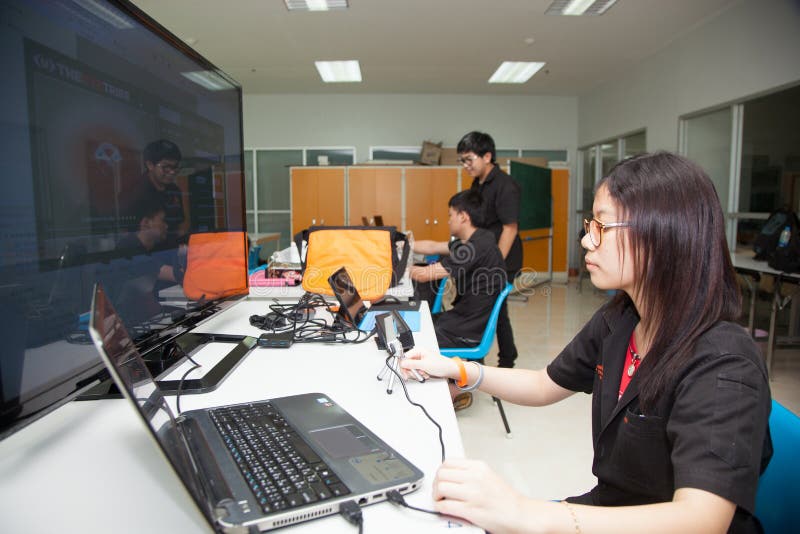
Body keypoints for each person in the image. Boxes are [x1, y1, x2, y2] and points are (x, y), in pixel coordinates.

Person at [400, 152, 772, 533]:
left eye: (602, 227)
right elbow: (544, 384)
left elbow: (701, 520)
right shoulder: (622, 319)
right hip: (606, 512)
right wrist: (460, 370)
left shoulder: (724, 361)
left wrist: (527, 514)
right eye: (590, 224)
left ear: (663, 233)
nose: (586, 240)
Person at [410, 190, 506, 410]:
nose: (448, 220)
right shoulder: (476, 239)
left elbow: (425, 274)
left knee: (414, 332)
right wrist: (406, 243)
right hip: (466, 318)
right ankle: (453, 382)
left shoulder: (474, 247)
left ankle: (454, 389)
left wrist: (398, 270)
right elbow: (433, 246)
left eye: (451, 215)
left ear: (463, 216)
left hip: (467, 329)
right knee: (421, 320)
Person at [457, 131, 521, 368]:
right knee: (496, 310)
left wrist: (497, 267)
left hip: (502, 259)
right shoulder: (478, 184)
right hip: (484, 257)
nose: (465, 166)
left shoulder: (506, 186)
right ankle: (503, 358)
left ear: (487, 156)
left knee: (490, 308)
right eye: (462, 161)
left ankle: (500, 362)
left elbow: (510, 229)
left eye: (469, 159)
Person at [123, 139, 187, 245]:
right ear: (150, 165)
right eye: (166, 167)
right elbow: (126, 233)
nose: (172, 172)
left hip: (172, 251)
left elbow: (180, 226)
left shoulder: (174, 191)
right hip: (146, 255)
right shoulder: (134, 192)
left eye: (175, 167)